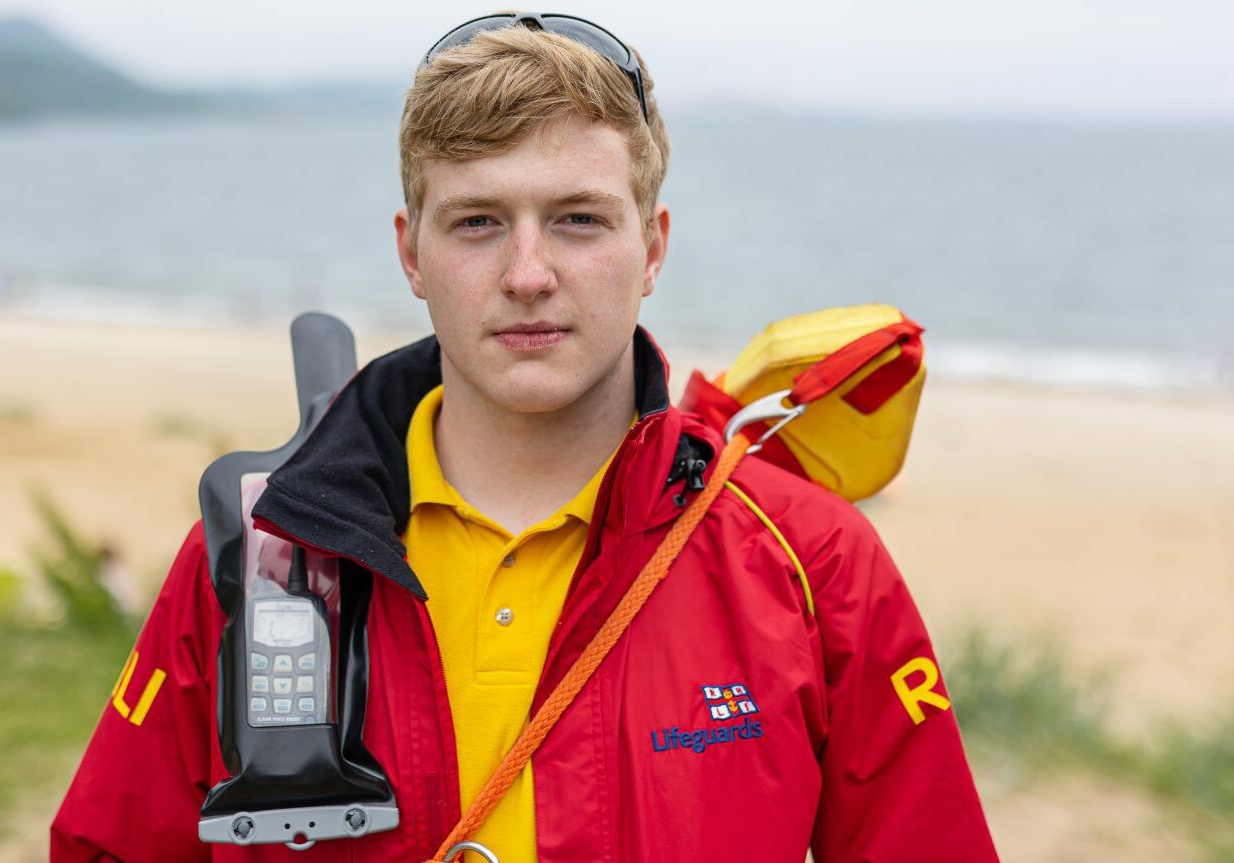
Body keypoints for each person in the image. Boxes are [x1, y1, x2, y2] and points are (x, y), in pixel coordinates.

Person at [51, 12, 999, 862]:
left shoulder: (812, 559)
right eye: (477, 222)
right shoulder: (265, 549)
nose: (529, 273)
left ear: (655, 247)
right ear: (410, 250)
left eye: (579, 220)